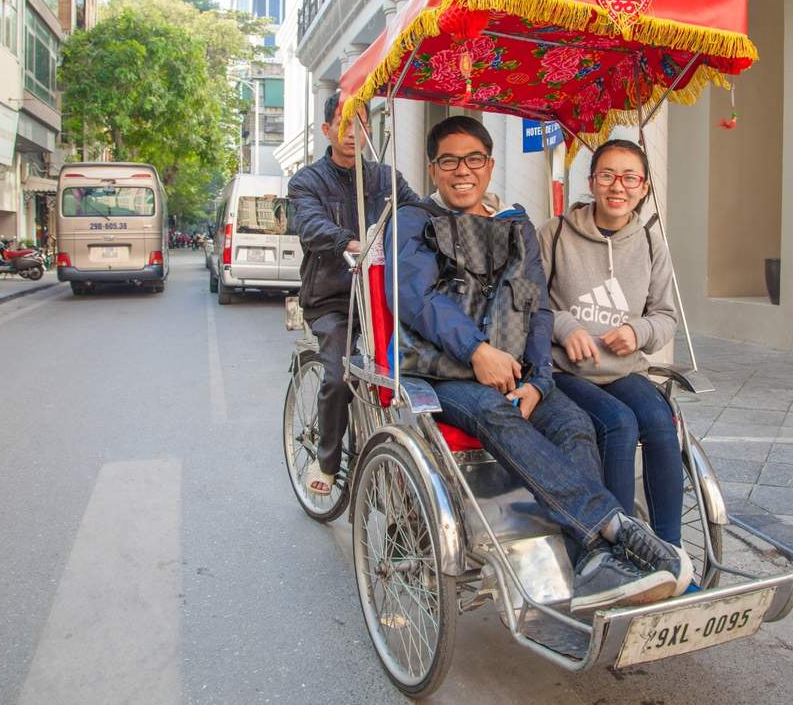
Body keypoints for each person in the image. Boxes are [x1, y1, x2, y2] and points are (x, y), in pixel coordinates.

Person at [386, 116, 691, 613]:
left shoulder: (515, 225)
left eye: (474, 160)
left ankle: (592, 565)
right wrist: (477, 352)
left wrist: (542, 381)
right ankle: (611, 529)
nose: (462, 171)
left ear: (489, 166)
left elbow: (538, 308)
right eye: (449, 161)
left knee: (573, 422)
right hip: (443, 370)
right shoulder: (414, 221)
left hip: (516, 368)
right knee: (495, 412)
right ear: (432, 168)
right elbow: (415, 297)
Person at [537, 140, 686, 568]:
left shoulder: (652, 244)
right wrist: (566, 328)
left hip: (623, 369)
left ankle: (670, 550)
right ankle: (625, 556)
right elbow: (530, 303)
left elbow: (664, 317)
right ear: (591, 182)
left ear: (642, 188)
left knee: (660, 423)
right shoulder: (556, 232)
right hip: (568, 371)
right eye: (607, 175)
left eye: (629, 178)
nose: (617, 186)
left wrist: (638, 332)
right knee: (618, 424)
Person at [289, 93, 420, 496]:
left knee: (414, 370)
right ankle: (327, 461)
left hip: (383, 296)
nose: (352, 133)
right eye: (344, 124)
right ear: (326, 129)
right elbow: (308, 225)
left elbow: (416, 214)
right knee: (338, 373)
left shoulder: (387, 178)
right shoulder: (307, 181)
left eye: (360, 123)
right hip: (333, 300)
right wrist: (348, 242)